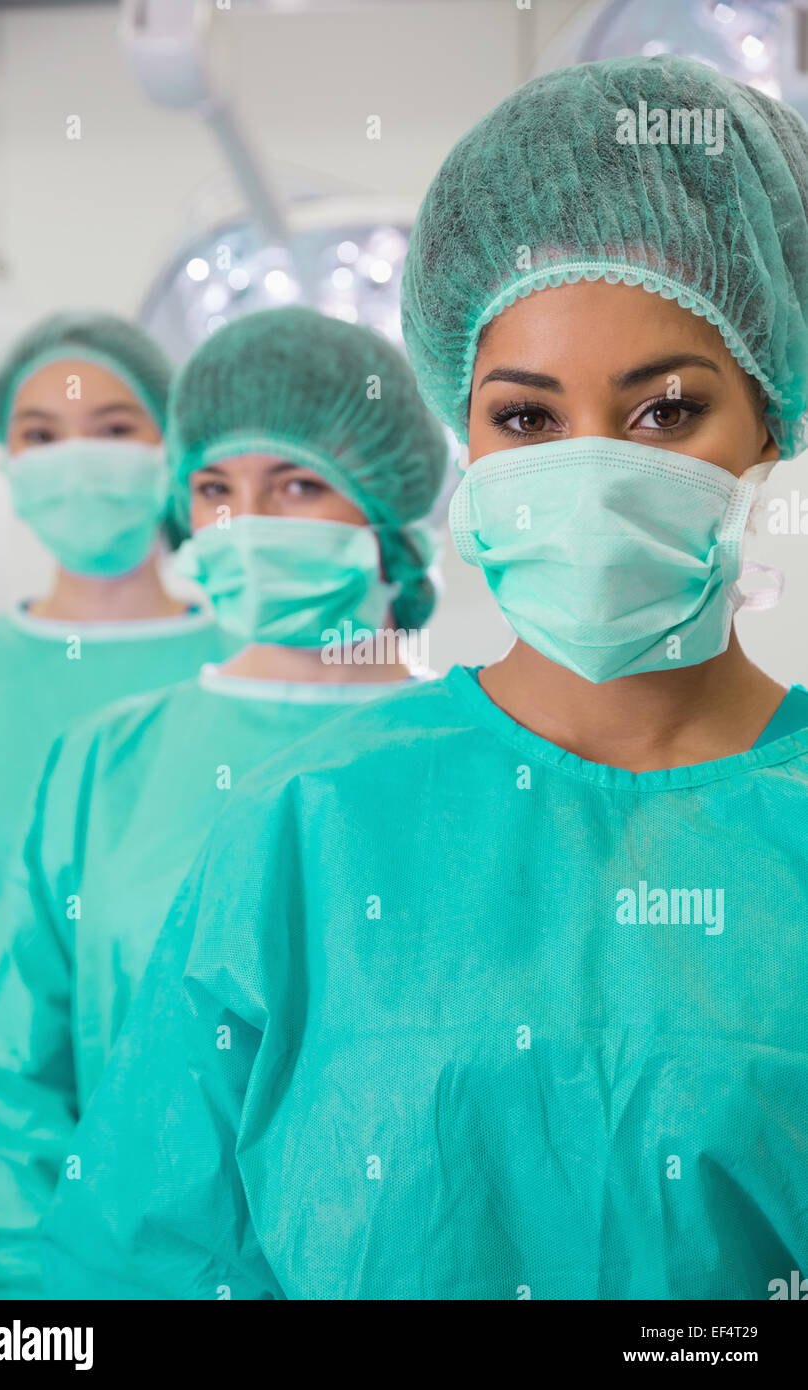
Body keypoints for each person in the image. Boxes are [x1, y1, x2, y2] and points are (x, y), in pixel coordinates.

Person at [43, 56, 808, 1301]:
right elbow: (141, 1265)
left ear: (774, 411)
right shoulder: (308, 826)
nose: (588, 469)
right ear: (463, 433)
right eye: (525, 419)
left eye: (664, 412)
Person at [0, 305, 446, 1299]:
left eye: (296, 483)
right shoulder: (107, 759)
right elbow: (6, 1088)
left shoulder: (480, 756)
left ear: (389, 505)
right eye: (214, 489)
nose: (244, 524)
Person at [0, 312, 230, 1056]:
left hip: (202, 1112)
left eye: (113, 428)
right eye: (41, 435)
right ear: (7, 462)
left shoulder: (250, 668)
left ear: (172, 447)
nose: (75, 459)